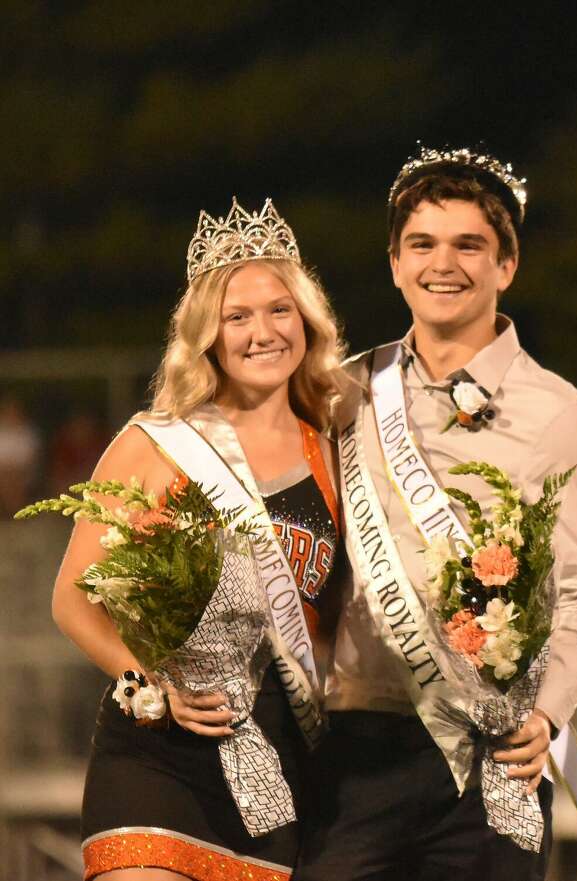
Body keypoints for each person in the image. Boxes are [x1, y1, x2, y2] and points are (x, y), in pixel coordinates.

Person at [294, 147, 577, 881]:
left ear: (507, 265)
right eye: (423, 245)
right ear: (395, 264)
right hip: (360, 749)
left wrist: (548, 716)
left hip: (497, 751)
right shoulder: (342, 393)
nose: (445, 264)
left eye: (469, 244)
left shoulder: (560, 412)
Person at [50, 197, 347, 880]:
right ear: (206, 334)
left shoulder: (334, 450)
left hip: (276, 763)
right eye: (236, 316)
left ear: (306, 320)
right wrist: (147, 683)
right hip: (155, 750)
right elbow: (71, 600)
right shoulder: (153, 442)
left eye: (279, 310)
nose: (261, 331)